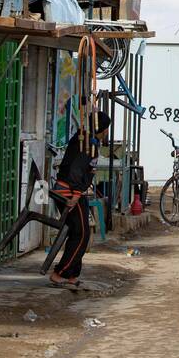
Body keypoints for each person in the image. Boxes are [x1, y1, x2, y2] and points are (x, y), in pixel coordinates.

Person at [50, 110, 110, 285]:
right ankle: (60, 272)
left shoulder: (88, 140)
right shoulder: (85, 143)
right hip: (68, 192)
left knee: (80, 232)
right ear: (101, 129)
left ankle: (71, 274)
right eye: (105, 129)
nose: (106, 132)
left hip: (74, 191)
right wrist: (76, 194)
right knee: (81, 233)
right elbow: (76, 171)